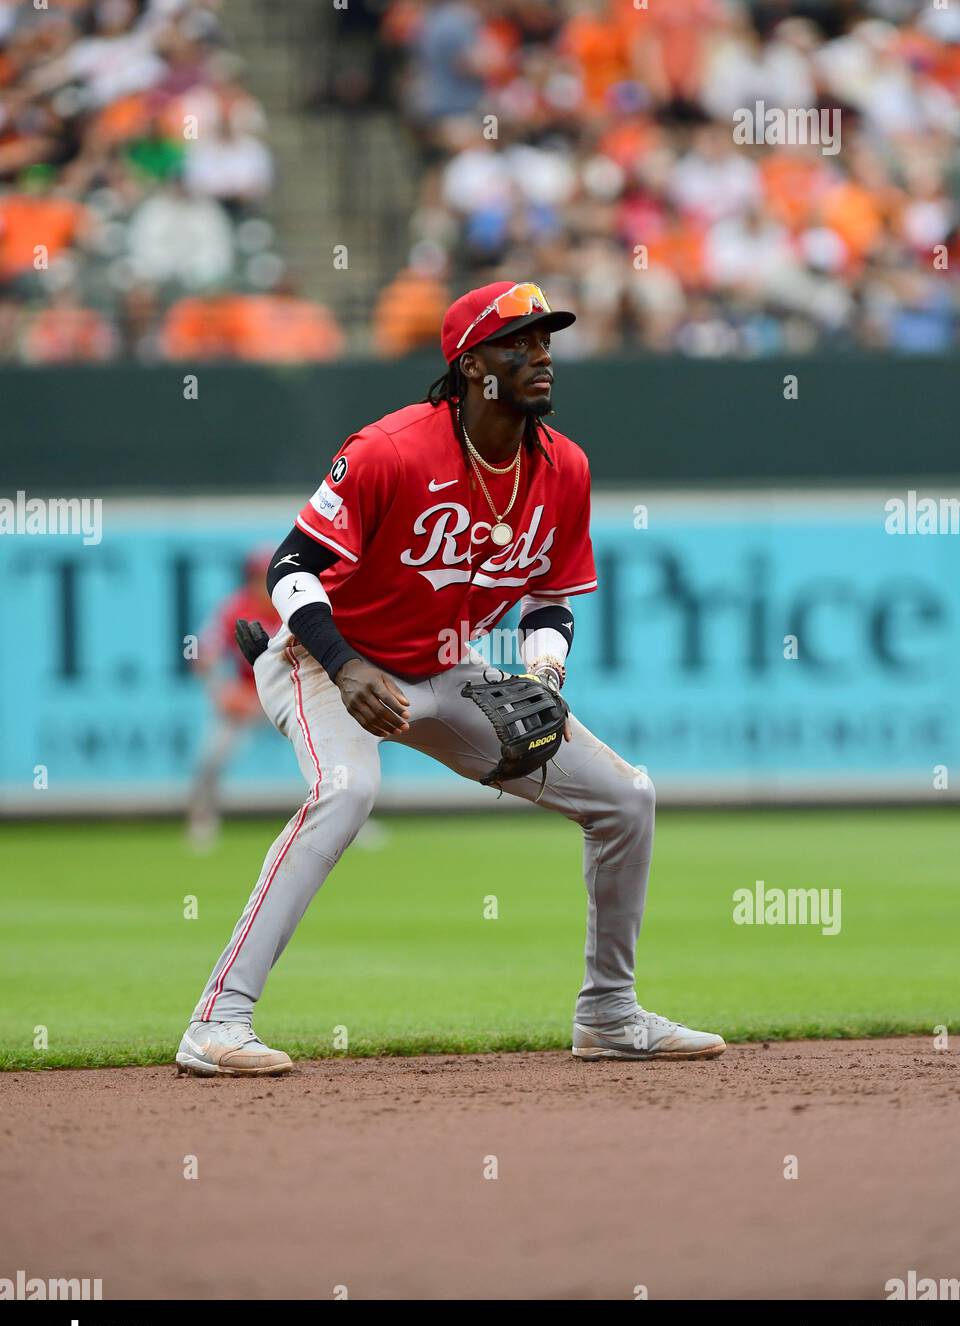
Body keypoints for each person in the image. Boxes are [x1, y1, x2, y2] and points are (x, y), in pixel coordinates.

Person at [175, 280, 725, 1075]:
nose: (540, 357)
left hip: (447, 668)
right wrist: (344, 663)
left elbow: (548, 596)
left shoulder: (563, 467)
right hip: (322, 663)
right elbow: (294, 566)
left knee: (625, 799)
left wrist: (544, 672)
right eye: (519, 343)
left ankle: (608, 1014)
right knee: (347, 792)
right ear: (471, 365)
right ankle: (217, 1022)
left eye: (545, 341)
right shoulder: (389, 449)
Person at [186, 548, 279, 850]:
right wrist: (220, 690)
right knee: (211, 758)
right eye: (260, 577)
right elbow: (202, 654)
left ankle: (353, 823)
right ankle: (202, 823)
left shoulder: (295, 603)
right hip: (249, 698)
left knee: (336, 754)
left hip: (293, 696)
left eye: (271, 576)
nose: (266, 584)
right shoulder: (234, 608)